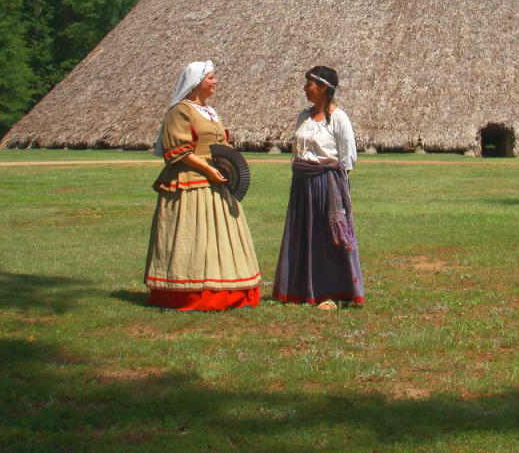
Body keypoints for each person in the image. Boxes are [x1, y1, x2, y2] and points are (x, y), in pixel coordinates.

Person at [144, 60, 260, 311]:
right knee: (193, 233)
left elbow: (220, 145)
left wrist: (228, 167)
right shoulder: (180, 111)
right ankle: (188, 291)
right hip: (190, 181)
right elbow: (178, 149)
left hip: (216, 181)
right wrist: (208, 169)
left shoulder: (211, 112)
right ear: (196, 83)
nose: (215, 82)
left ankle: (228, 287)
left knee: (219, 236)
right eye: (210, 78)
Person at [273, 65, 364, 308]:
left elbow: (347, 159)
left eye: (309, 84)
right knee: (302, 234)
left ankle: (330, 289)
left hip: (326, 185)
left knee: (327, 237)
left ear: (323, 87)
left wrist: (333, 189)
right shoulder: (303, 117)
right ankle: (299, 289)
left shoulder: (339, 119)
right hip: (301, 185)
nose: (305, 88)